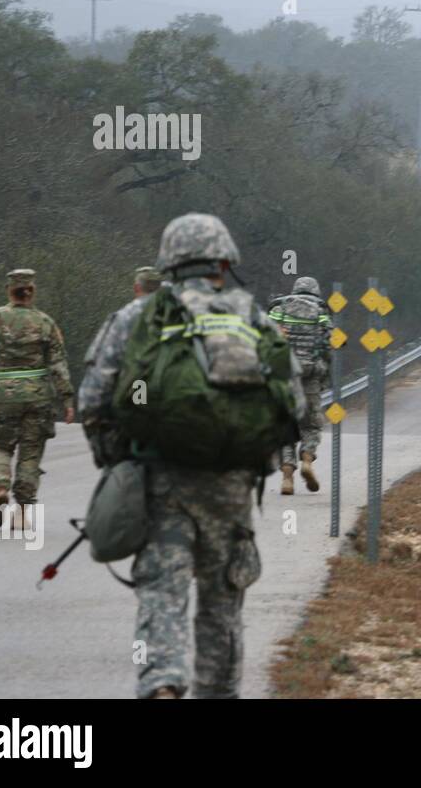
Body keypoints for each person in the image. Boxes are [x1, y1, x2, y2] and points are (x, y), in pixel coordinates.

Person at [77, 213, 304, 700]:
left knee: (162, 592)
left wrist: (117, 462)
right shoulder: (253, 319)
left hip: (160, 483)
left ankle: (161, 686)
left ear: (168, 264)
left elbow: (92, 402)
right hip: (231, 489)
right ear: (224, 262)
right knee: (223, 602)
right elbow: (294, 404)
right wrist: (254, 456)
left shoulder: (136, 318)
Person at [0, 269, 74, 526]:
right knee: (30, 453)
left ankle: (0, 488)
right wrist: (67, 399)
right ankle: (21, 512)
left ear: (9, 290)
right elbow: (58, 363)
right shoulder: (45, 323)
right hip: (37, 396)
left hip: (2, 395)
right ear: (31, 291)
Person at [268, 276, 332, 495]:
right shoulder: (321, 311)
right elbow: (329, 342)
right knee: (311, 425)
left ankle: (287, 478)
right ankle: (306, 460)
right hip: (311, 377)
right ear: (315, 291)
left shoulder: (280, 308)